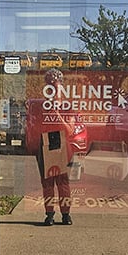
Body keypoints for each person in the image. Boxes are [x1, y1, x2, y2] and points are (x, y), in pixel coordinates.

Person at [36, 69, 73, 226]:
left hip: (62, 142)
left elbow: (69, 130)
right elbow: (35, 126)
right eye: (50, 87)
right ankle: (49, 214)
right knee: (47, 182)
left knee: (63, 182)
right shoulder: (41, 106)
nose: (54, 93)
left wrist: (57, 114)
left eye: (56, 87)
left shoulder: (67, 106)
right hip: (45, 142)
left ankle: (66, 214)